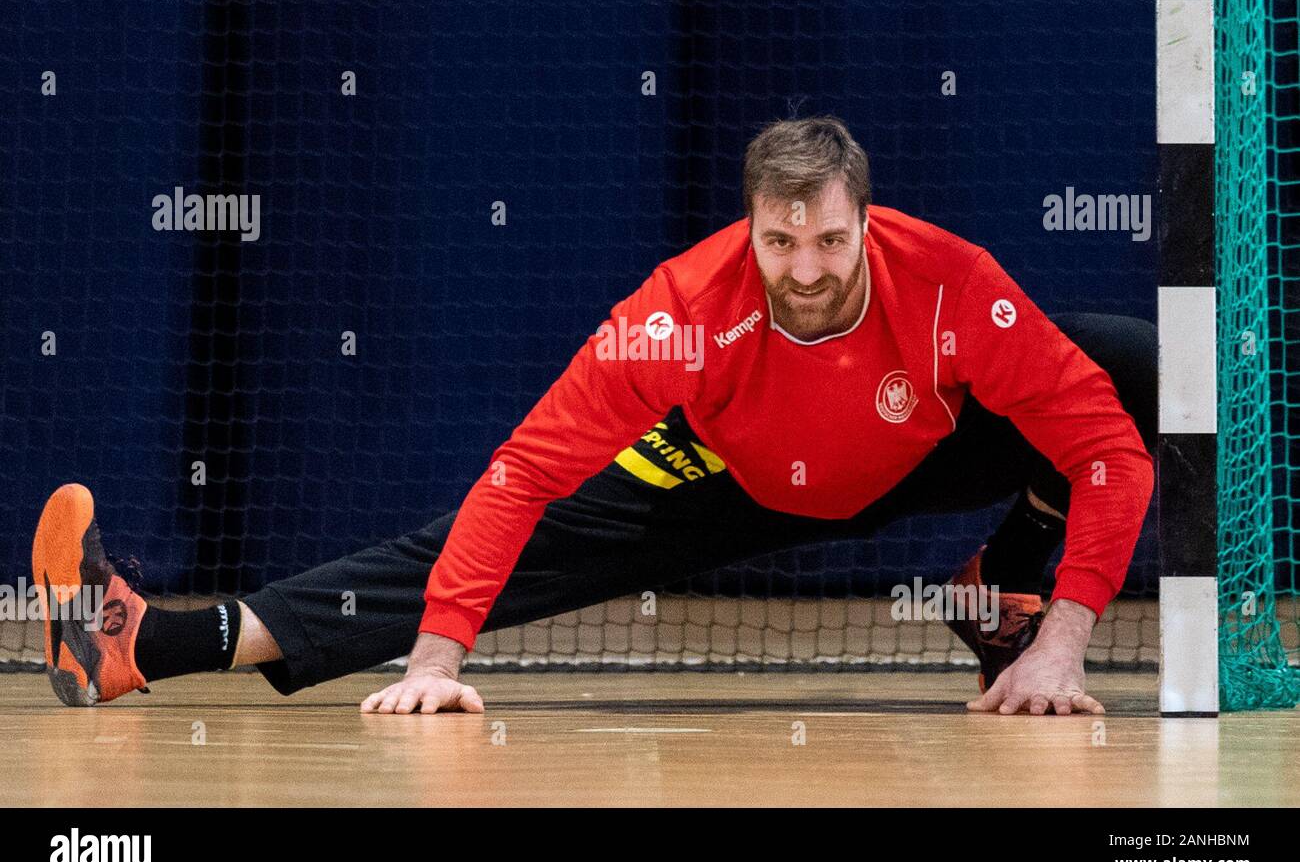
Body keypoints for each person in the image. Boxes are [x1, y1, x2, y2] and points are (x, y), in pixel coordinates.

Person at [31, 116, 1155, 717]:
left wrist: (1064, 640)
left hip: (914, 447)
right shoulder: (676, 312)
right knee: (518, 540)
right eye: (779, 241)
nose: (804, 269)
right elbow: (520, 472)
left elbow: (1105, 447)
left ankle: (1001, 592)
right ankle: (151, 644)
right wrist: (434, 659)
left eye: (828, 240)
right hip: (732, 473)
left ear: (868, 221)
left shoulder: (957, 287)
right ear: (749, 228)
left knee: (1131, 367)